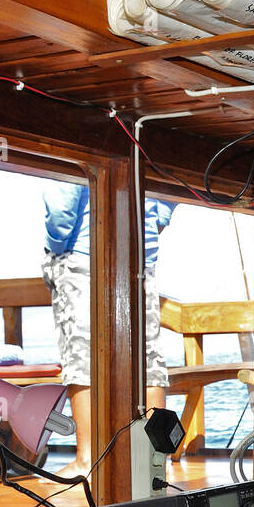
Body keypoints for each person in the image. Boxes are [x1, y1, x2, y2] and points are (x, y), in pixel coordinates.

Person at [42, 183, 173, 477]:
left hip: (83, 253)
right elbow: (168, 191)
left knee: (81, 357)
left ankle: (87, 460)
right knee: (148, 360)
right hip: (141, 255)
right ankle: (153, 464)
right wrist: (155, 224)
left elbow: (62, 200)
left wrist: (58, 245)